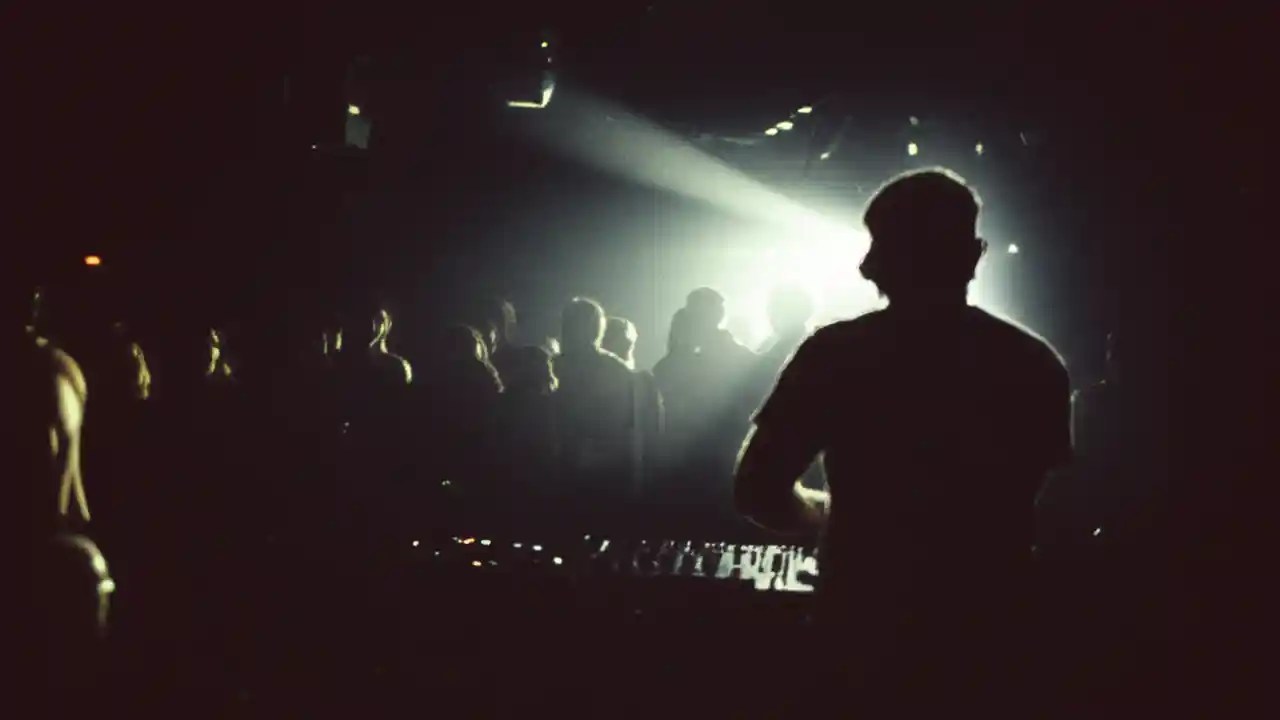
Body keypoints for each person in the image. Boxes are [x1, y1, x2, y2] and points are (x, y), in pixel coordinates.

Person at [735, 168, 1072, 714]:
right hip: (990, 644)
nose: (865, 266)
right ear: (975, 255)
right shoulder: (1032, 363)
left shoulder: (836, 354)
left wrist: (831, 518)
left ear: (884, 260)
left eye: (876, 247)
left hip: (862, 635)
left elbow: (757, 491)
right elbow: (1054, 515)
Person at [552, 297, 641, 529]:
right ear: (597, 327)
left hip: (564, 469)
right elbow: (630, 426)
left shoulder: (551, 367)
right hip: (606, 470)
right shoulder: (617, 369)